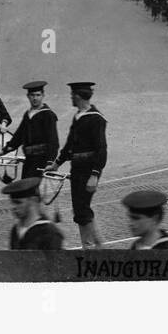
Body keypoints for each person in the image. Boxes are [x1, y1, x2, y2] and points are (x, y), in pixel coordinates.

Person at [46, 81, 107, 249]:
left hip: (89, 170)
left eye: (72, 95)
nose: (71, 98)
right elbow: (69, 144)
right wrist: (57, 163)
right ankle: (98, 246)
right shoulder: (78, 116)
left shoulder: (96, 119)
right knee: (81, 209)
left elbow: (102, 149)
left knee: (81, 209)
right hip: (78, 168)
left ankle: (90, 248)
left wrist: (94, 175)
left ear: (78, 96)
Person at [0, 79, 59, 180]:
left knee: (28, 189)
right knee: (26, 189)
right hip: (29, 159)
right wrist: (5, 150)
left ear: (43, 95)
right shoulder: (28, 114)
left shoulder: (48, 115)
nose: (35, 98)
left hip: (41, 160)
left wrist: (50, 162)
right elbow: (19, 136)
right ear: (28, 96)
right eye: (32, 95)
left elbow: (53, 141)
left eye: (38, 95)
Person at [2, 177, 65, 250]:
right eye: (12, 203)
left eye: (18, 202)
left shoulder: (49, 232)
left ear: (33, 201)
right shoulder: (16, 229)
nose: (13, 207)